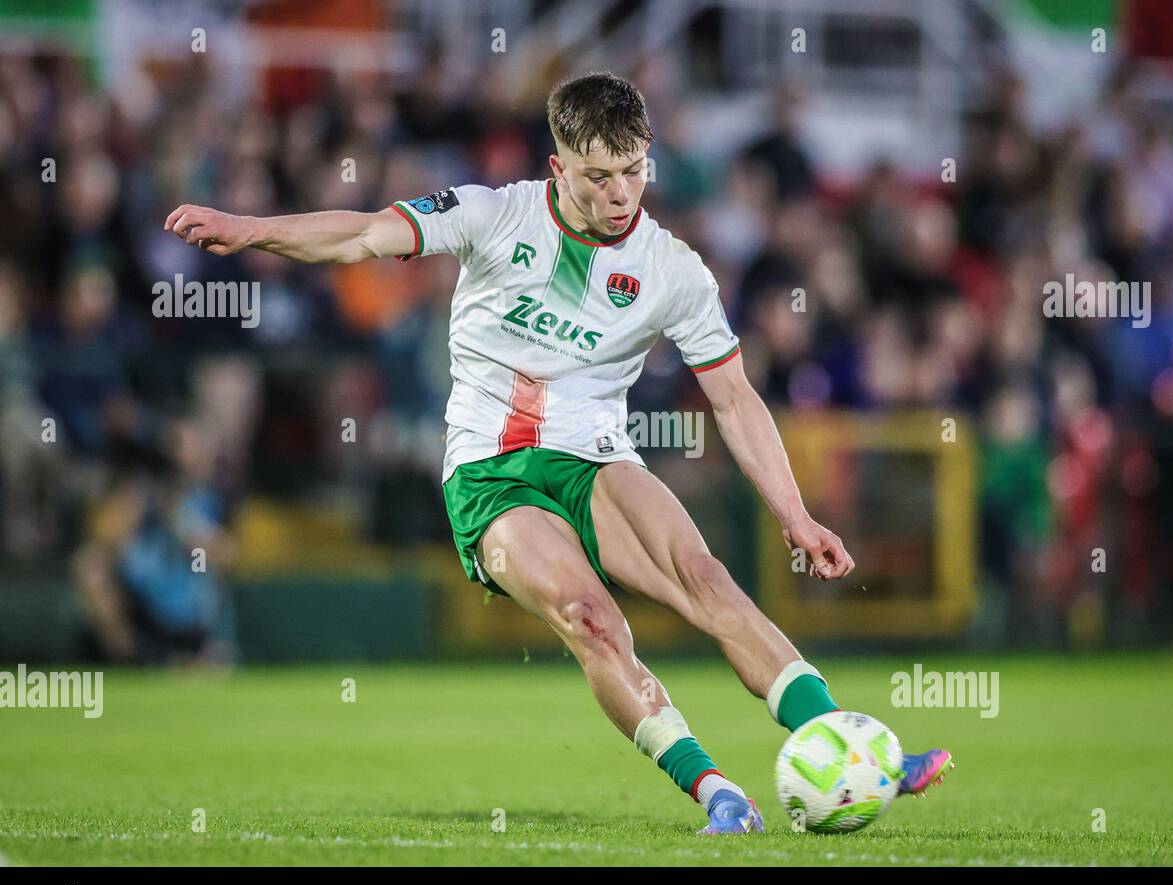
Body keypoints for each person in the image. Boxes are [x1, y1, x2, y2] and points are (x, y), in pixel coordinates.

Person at [163, 71, 952, 834]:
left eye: (634, 172)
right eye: (599, 175)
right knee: (592, 618)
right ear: (557, 166)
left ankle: (857, 752)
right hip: (491, 475)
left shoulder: (673, 271)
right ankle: (716, 792)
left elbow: (737, 399)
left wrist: (796, 515)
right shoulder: (491, 214)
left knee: (708, 579)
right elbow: (364, 233)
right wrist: (253, 229)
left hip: (596, 458)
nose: (620, 195)